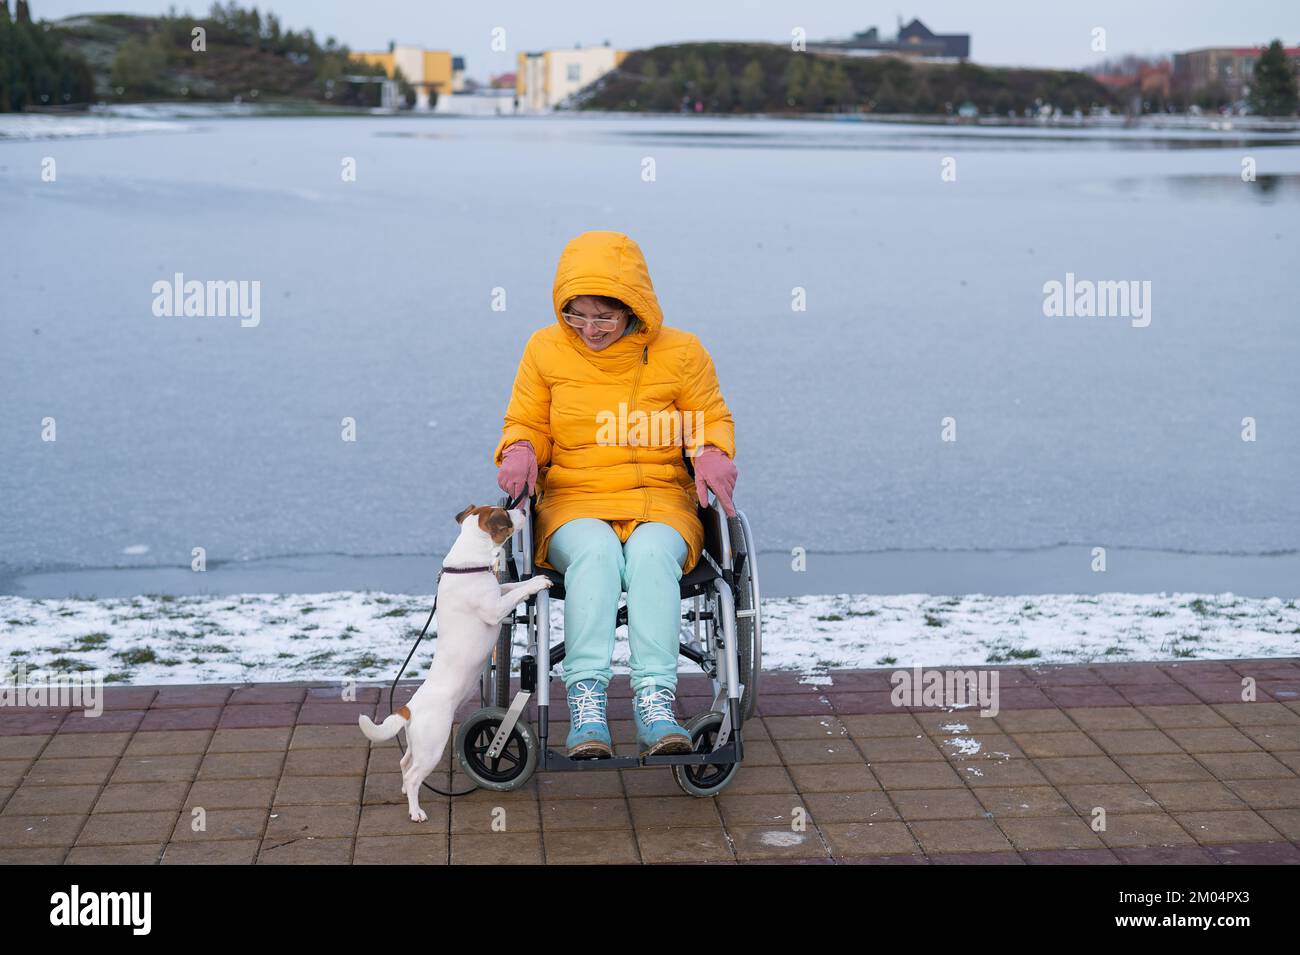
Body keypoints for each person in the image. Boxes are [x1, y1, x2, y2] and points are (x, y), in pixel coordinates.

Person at [494, 230, 738, 759]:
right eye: (576, 315)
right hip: (573, 499)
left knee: (651, 555)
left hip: (662, 499)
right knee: (596, 552)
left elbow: (708, 420)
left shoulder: (682, 351)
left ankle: (655, 702)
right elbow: (528, 421)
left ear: (635, 307)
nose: (589, 329)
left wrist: (712, 451)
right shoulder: (544, 348)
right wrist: (519, 449)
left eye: (603, 316)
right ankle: (587, 705)